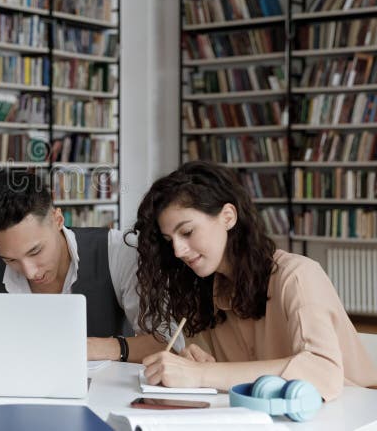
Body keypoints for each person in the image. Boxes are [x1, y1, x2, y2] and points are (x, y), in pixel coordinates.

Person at [133, 160, 377, 400]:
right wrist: (198, 365)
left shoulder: (297, 276)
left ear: (228, 217)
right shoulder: (201, 293)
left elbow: (322, 373)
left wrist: (201, 374)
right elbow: (223, 377)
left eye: (187, 232)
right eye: (169, 240)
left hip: (355, 412)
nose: (177, 251)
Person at [0, 169, 176, 362]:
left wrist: (100, 348)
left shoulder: (119, 251)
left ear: (58, 219)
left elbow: (169, 343)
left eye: (35, 251)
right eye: (10, 260)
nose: (30, 272)